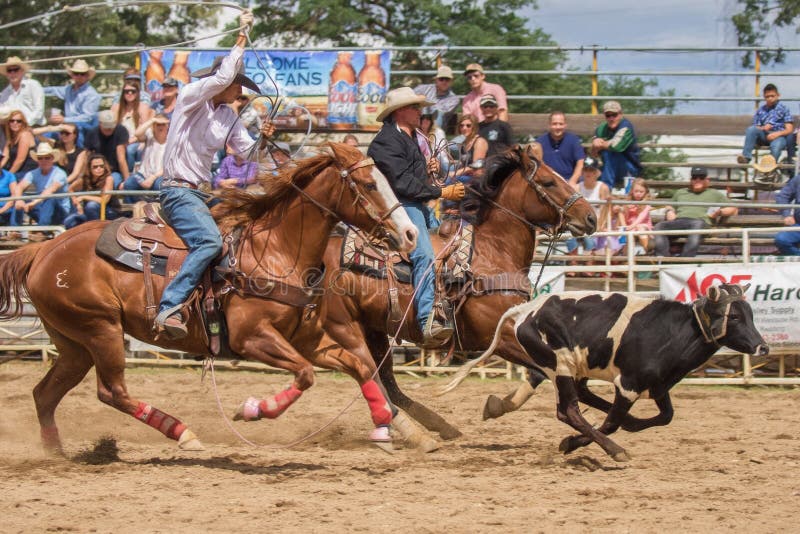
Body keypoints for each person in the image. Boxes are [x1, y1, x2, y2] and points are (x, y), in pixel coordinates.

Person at [154, 10, 275, 339]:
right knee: (208, 241)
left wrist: (264, 138)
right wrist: (240, 38)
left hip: (200, 192)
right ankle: (170, 305)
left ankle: (217, 310)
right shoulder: (191, 97)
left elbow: (247, 151)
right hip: (177, 190)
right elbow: (221, 80)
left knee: (241, 235)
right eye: (238, 84)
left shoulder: (227, 117)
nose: (240, 92)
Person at [367, 86, 465, 346]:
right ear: (400, 111)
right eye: (415, 107)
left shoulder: (408, 137)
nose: (420, 111)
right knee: (425, 254)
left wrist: (427, 171)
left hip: (416, 204)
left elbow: (411, 178)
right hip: (399, 207)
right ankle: (426, 320)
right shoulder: (385, 141)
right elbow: (400, 184)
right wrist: (442, 191)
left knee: (456, 241)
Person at [653, 167, 738, 258]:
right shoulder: (681, 192)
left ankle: (685, 259)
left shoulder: (714, 193)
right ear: (691, 180)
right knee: (659, 226)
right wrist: (669, 211)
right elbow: (670, 205)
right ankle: (662, 259)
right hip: (679, 221)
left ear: (707, 180)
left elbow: (733, 208)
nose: (697, 180)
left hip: (701, 222)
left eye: (701, 178)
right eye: (694, 178)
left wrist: (720, 211)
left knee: (696, 225)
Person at [9, 142, 70, 228]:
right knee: (21, 198)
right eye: (40, 158)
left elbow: (51, 190)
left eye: (47, 158)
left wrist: (34, 202)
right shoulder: (33, 173)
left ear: (52, 159)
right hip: (41, 208)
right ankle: (14, 230)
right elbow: (19, 186)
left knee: (50, 198)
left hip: (60, 213)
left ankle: (42, 230)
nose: (43, 160)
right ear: (37, 160)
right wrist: (19, 200)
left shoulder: (60, 173)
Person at [44, 59, 101, 147]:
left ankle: (80, 155)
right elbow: (53, 90)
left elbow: (87, 118)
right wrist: (36, 89)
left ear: (87, 76)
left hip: (84, 127)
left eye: (82, 74)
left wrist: (65, 120)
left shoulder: (91, 94)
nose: (79, 76)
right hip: (67, 124)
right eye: (76, 73)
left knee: (76, 134)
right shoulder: (68, 89)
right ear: (73, 75)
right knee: (45, 136)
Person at [564, 156, 607, 264]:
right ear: (582, 172)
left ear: (597, 173)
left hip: (595, 222)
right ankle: (574, 264)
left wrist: (601, 224)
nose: (589, 173)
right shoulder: (578, 187)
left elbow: (605, 210)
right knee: (571, 237)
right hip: (580, 222)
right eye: (586, 170)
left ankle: (588, 265)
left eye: (592, 170)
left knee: (589, 238)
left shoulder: (602, 187)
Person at [590, 100, 642, 190]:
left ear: (621, 114)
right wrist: (595, 145)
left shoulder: (626, 126)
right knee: (588, 171)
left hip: (629, 168)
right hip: (608, 168)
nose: (611, 118)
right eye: (608, 115)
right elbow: (594, 154)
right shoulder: (601, 128)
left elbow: (616, 146)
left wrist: (599, 143)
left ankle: (606, 190)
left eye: (614, 115)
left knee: (610, 153)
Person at [738, 83, 794, 165]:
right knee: (751, 129)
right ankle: (746, 157)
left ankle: (769, 167)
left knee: (776, 146)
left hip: (778, 137)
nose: (770, 99)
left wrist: (777, 134)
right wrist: (763, 128)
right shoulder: (761, 110)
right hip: (764, 136)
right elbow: (756, 126)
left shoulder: (784, 109)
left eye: (772, 96)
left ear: (778, 95)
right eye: (767, 97)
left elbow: (789, 129)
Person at [64, 153, 121, 229]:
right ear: (89, 168)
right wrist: (77, 204)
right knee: (69, 221)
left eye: (101, 166)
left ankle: (94, 230)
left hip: (109, 211)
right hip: (89, 212)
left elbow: (104, 200)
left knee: (91, 205)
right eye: (95, 167)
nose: (99, 169)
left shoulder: (108, 179)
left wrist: (84, 196)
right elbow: (70, 189)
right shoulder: (84, 179)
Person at [122, 114, 169, 200]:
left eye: (163, 124)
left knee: (159, 186)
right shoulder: (149, 136)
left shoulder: (171, 142)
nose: (160, 127)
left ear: (167, 126)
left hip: (160, 176)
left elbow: (169, 165)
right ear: (153, 126)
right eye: (158, 124)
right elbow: (137, 133)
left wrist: (153, 177)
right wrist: (152, 120)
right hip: (143, 174)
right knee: (128, 184)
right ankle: (131, 211)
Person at [111, 80, 154, 171]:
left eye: (133, 91)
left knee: (129, 150)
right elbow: (112, 126)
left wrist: (131, 140)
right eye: (126, 91)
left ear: (137, 93)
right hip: (119, 139)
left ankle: (129, 172)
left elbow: (143, 128)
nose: (129, 93)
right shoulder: (116, 107)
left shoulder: (142, 107)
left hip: (136, 139)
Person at [84, 110, 130, 188]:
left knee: (110, 182)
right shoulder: (92, 133)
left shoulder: (121, 131)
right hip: (97, 170)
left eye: (111, 127)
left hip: (114, 170)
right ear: (100, 123)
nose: (109, 129)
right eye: (106, 127)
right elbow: (86, 155)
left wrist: (127, 181)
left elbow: (121, 158)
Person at [536, 110, 584, 183]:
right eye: (554, 124)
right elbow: (537, 164)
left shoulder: (574, 140)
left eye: (561, 124)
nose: (558, 127)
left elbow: (580, 163)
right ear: (549, 125)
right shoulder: (540, 142)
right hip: (548, 182)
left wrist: (572, 182)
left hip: (569, 179)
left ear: (565, 125)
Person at [0, 56, 45, 126]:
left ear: (22, 71)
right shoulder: (4, 93)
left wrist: (25, 124)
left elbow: (39, 110)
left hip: (34, 126)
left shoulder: (33, 85)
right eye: (9, 71)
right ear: (7, 74)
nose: (12, 73)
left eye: (16, 70)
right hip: (14, 129)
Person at [413, 65, 460, 132]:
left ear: (451, 82)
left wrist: (423, 102)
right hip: (417, 123)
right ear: (436, 80)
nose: (444, 82)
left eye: (447, 79)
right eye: (441, 79)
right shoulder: (423, 88)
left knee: (438, 114)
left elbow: (437, 113)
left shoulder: (454, 99)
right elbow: (409, 96)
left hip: (435, 129)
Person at [615, 177, 653, 253]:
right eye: (636, 191)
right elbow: (622, 213)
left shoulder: (646, 204)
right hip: (630, 227)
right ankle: (629, 257)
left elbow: (641, 217)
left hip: (643, 225)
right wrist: (620, 209)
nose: (638, 194)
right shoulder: (628, 202)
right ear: (632, 191)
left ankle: (647, 250)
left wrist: (632, 226)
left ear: (645, 192)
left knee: (640, 228)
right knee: (630, 233)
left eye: (641, 192)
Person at [1, 109, 37, 180]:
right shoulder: (11, 137)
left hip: (27, 172)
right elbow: (5, 156)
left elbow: (20, 160)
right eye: (12, 121)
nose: (15, 123)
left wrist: (7, 177)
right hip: (17, 171)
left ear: (23, 123)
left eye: (19, 121)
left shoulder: (25, 135)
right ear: (8, 123)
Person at [475, 94, 513, 158]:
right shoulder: (477, 127)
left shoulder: (504, 126)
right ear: (481, 108)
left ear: (496, 108)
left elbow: (513, 146)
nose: (488, 109)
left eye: (491, 106)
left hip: (500, 161)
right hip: (481, 161)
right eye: (485, 106)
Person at [773, 173, 800, 255]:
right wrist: (787, 214)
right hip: (799, 226)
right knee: (781, 239)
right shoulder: (798, 180)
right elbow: (782, 196)